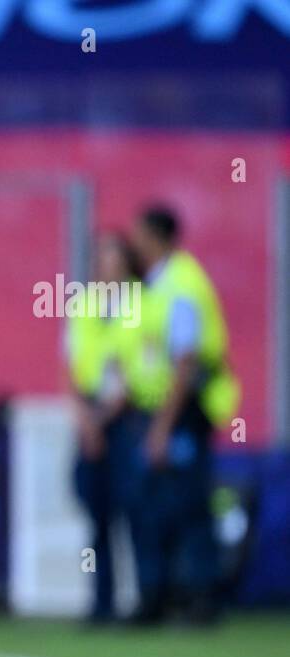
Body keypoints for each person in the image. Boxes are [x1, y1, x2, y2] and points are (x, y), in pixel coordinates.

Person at [122, 205, 239, 625]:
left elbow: (185, 362)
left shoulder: (181, 285)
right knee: (154, 507)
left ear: (155, 238)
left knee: (189, 504)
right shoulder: (157, 285)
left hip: (183, 410)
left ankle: (203, 599)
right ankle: (160, 596)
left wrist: (162, 428)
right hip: (159, 409)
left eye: (137, 235)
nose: (132, 244)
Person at [65, 232, 140, 624]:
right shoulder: (85, 305)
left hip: (125, 419)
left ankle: (146, 599)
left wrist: (103, 419)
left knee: (135, 513)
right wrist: (85, 421)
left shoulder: (138, 304)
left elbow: (137, 368)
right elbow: (72, 368)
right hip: (91, 418)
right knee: (97, 519)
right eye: (101, 259)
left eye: (113, 259)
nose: (106, 267)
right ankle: (101, 601)